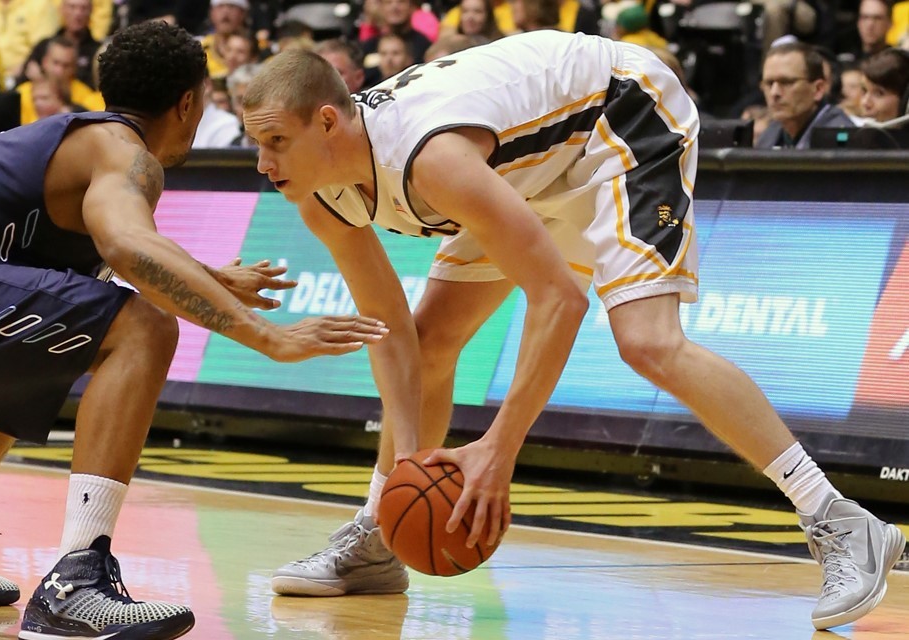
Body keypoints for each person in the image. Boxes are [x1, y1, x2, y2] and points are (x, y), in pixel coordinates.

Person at [240, 30, 906, 631]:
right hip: (533, 162)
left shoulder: (431, 159)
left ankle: (841, 521)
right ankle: (375, 539)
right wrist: (404, 479)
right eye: (255, 144)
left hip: (618, 115)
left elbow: (557, 298)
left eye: (274, 143)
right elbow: (391, 335)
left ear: (326, 121)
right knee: (432, 337)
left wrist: (500, 448)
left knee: (647, 341)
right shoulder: (318, 190)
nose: (263, 165)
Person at [0, 21, 387, 640]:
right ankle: (74, 583)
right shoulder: (122, 150)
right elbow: (129, 246)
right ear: (188, 103)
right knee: (143, 327)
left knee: (26, 368)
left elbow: (117, 242)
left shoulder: (78, 142)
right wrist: (268, 336)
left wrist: (209, 275)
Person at [756, 42, 855, 149]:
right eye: (769, 83)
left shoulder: (840, 137)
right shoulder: (770, 133)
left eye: (787, 82)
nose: (774, 93)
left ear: (818, 89)